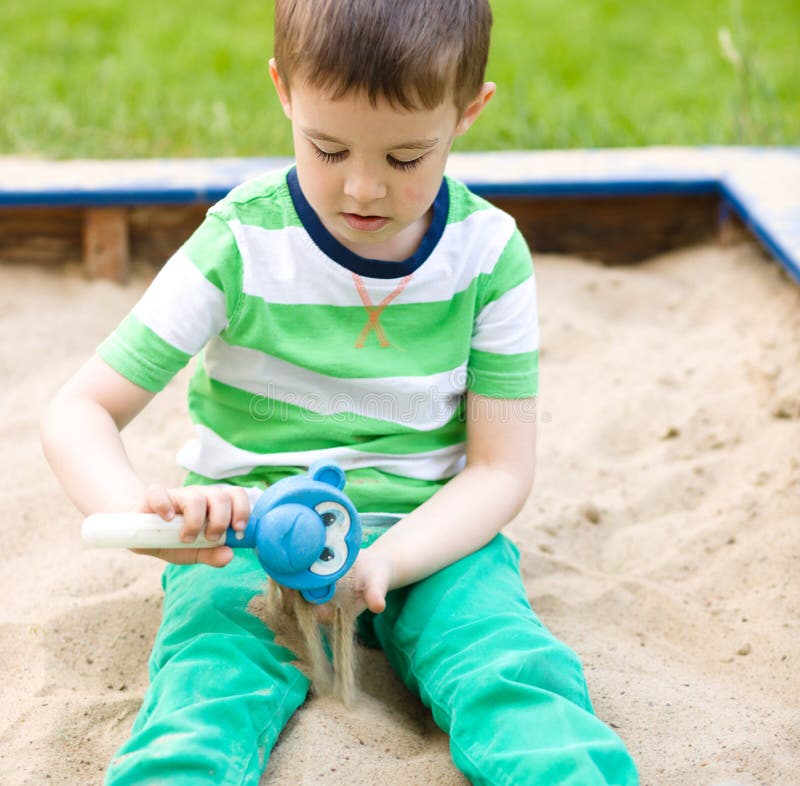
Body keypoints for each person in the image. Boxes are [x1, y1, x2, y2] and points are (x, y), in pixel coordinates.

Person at [41, 1, 640, 784]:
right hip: (250, 534)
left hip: (428, 538)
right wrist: (140, 517)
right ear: (284, 90)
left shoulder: (488, 257)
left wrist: (391, 559)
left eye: (406, 158)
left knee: (509, 668)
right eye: (328, 148)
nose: (363, 188)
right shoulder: (241, 243)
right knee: (205, 689)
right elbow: (79, 409)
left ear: (468, 112)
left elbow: (500, 472)